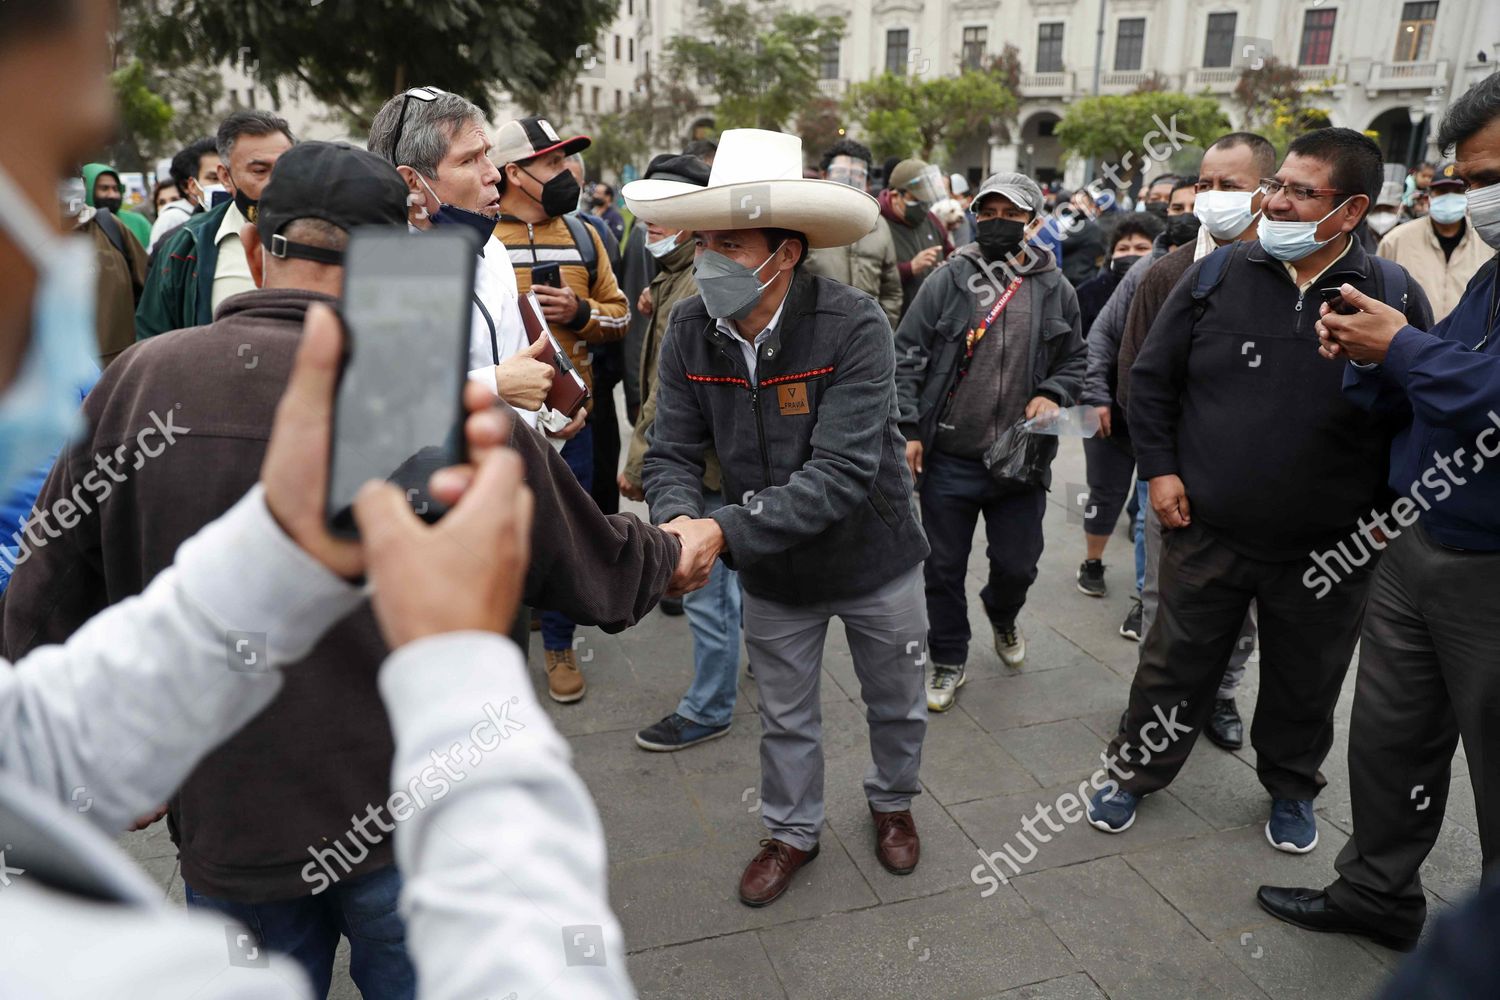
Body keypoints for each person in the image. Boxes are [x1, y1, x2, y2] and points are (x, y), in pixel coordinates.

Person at [0, 3, 634, 995]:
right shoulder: (432, 397)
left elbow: (41, 604)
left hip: (227, 831)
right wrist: (676, 549)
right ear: (401, 263)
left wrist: (98, 752)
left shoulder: (138, 380)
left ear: (257, 253)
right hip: (401, 823)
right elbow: (598, 564)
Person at [1087, 129, 1434, 855]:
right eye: (1276, 186)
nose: (1273, 201)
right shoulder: (1217, 275)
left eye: (1298, 192)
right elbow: (1151, 379)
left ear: (1350, 211)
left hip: (1330, 549)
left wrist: (1387, 519)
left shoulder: (1391, 298)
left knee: (1305, 682)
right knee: (1173, 666)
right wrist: (1161, 470)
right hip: (1206, 526)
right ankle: (1134, 772)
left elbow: (1421, 415)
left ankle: (1291, 788)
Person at [627, 128, 931, 907]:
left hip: (874, 558)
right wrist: (679, 524)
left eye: (730, 243)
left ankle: (893, 803)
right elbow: (670, 454)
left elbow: (842, 474)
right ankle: (792, 832)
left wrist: (720, 531)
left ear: (784, 252)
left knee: (894, 700)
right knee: (786, 717)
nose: (708, 260)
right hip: (774, 571)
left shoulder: (855, 324)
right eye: (703, 242)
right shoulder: (691, 328)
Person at [1257, 72, 1500, 955]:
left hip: (1489, 571)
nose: (1478, 199)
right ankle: (1375, 892)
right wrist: (1371, 354)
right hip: (1417, 542)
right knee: (1389, 741)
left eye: (1492, 176)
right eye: (1469, 180)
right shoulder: (1492, 279)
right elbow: (1440, 375)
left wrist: (1400, 348)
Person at [894, 172, 1086, 710]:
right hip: (949, 458)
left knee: (1018, 565)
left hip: (1019, 462)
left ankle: (1002, 614)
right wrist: (909, 428)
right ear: (975, 215)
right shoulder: (949, 280)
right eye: (989, 212)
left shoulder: (1054, 287)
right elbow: (907, 353)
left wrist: (1053, 392)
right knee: (941, 568)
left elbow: (1078, 356)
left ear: (1033, 222)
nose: (999, 223)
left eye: (1011, 214)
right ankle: (949, 656)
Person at [1114, 133, 1279, 747]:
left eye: (1229, 187)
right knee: (1164, 603)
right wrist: (1163, 468)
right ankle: (1155, 712)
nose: (1211, 197)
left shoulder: (1294, 275)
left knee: (1244, 610)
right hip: (1176, 484)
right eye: (1204, 185)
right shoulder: (1166, 274)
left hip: (1258, 489)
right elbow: (1135, 377)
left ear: (1267, 194)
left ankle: (1224, 694)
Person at [493, 115, 630, 702]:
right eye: (552, 162)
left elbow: (621, 317)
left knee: (566, 534)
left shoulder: (586, 234)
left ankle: (559, 643)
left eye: (567, 160)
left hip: (572, 424)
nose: (567, 172)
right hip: (498, 427)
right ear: (513, 173)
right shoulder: (478, 242)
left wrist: (580, 314)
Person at [617, 153, 744, 751]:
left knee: (705, 595)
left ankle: (710, 706)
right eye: (651, 213)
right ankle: (748, 670)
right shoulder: (680, 277)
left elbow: (672, 397)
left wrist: (642, 462)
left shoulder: (697, 282)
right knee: (729, 588)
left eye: (670, 213)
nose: (655, 225)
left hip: (704, 468)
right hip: (713, 463)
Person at [366, 88, 550, 425]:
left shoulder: (492, 248)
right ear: (412, 183)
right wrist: (493, 385)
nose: (493, 173)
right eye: (468, 160)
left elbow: (518, 365)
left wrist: (549, 419)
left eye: (486, 154)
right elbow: (379, 404)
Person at [1075, 176, 1199, 619]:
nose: (1185, 213)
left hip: (1171, 423)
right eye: (1177, 207)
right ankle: (1098, 564)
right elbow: (1099, 338)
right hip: (1113, 410)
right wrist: (1095, 396)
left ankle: (1146, 605)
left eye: (1193, 205)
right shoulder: (1144, 274)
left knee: (1149, 515)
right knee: (1105, 494)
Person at [136, 110, 295, 339]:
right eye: (260, 171)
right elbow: (151, 340)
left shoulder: (328, 235)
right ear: (225, 177)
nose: (275, 182)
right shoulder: (183, 247)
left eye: (284, 168)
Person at [804, 138, 903, 329]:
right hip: (814, 338)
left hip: (865, 338)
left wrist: (882, 330)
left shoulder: (879, 224)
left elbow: (892, 290)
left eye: (858, 174)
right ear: (824, 175)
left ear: (867, 183)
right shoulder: (807, 221)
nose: (849, 179)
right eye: (840, 172)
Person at [1378, 159, 1491, 321]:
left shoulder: (1487, 242)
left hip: (1463, 344)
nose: (1449, 197)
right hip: (1407, 341)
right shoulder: (1396, 240)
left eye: (1457, 191)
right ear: (1429, 196)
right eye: (1442, 191)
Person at [76, 165, 148, 366]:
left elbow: (150, 294)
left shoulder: (110, 226)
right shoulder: (24, 235)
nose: (111, 194)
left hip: (115, 368)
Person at [880, 158, 953, 319]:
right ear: (895, 195)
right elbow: (870, 277)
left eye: (925, 200)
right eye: (916, 200)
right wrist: (910, 268)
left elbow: (950, 251)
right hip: (894, 321)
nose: (922, 206)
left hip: (932, 320)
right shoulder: (876, 224)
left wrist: (949, 265)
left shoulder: (930, 219)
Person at [148, 136, 221, 254]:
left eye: (228, 176)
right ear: (191, 186)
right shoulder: (173, 237)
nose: (224, 184)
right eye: (214, 178)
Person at [81, 162, 151, 249]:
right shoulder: (77, 228)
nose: (112, 195)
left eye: (115, 189)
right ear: (87, 190)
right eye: (104, 188)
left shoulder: (139, 223)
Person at [1057, 188, 1108, 287]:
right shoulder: (1077, 224)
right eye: (1072, 203)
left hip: (1077, 282)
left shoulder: (1087, 226)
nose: (1074, 207)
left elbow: (1059, 244)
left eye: (1079, 203)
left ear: (1091, 206)